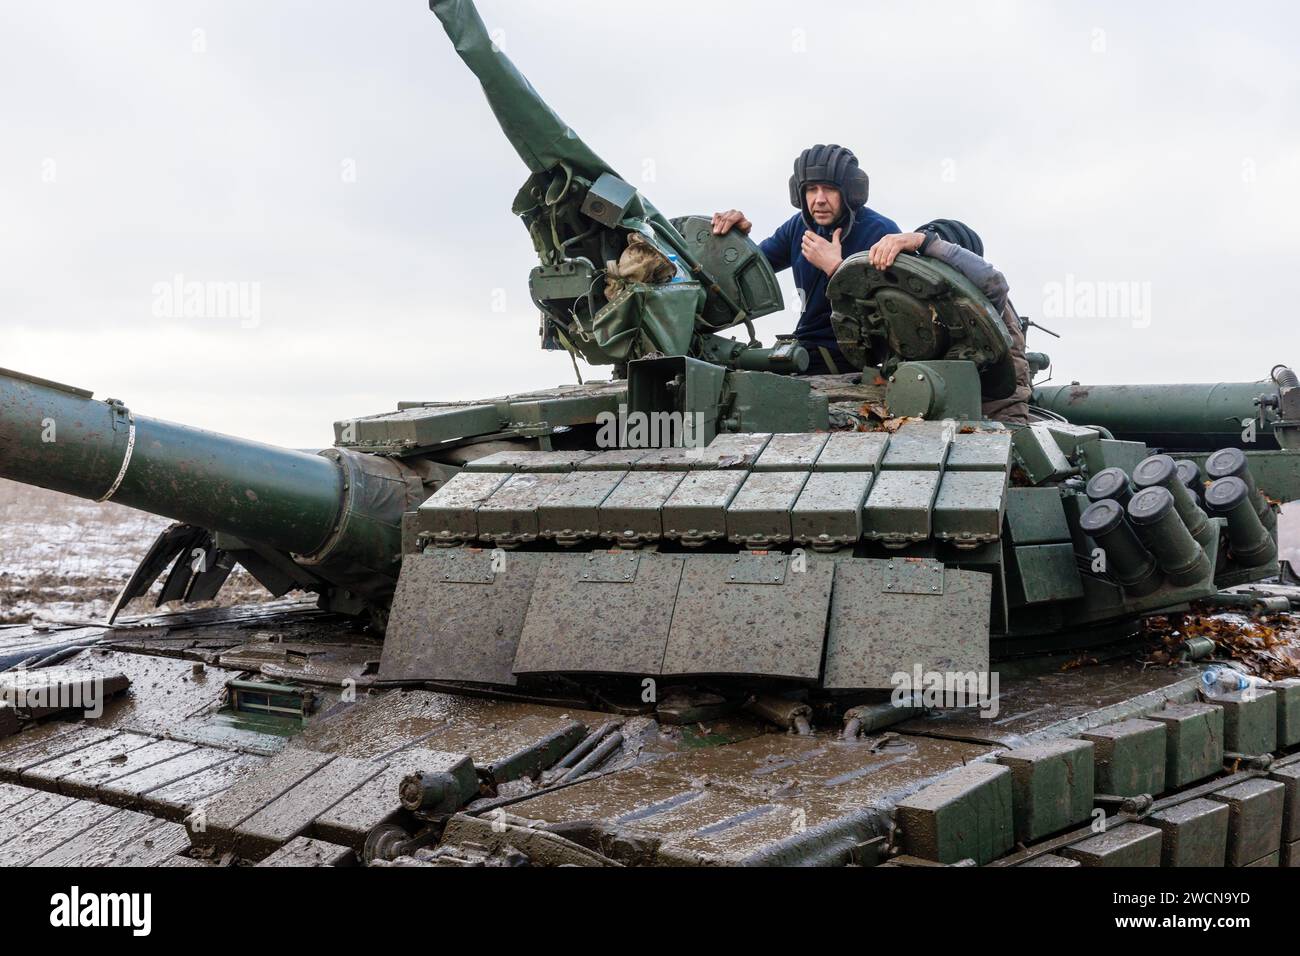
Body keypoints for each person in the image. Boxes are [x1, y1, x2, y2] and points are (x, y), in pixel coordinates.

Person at [712, 145, 899, 375]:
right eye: (811, 189)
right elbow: (752, 270)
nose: (819, 199)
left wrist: (837, 269)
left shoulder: (880, 233)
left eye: (829, 189)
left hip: (848, 362)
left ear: (850, 192)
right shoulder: (798, 226)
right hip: (801, 350)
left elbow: (895, 315)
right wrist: (734, 241)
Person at [868, 220, 1032, 423]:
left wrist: (926, 243)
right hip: (931, 409)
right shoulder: (927, 307)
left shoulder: (987, 303)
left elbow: (993, 283)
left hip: (997, 413)